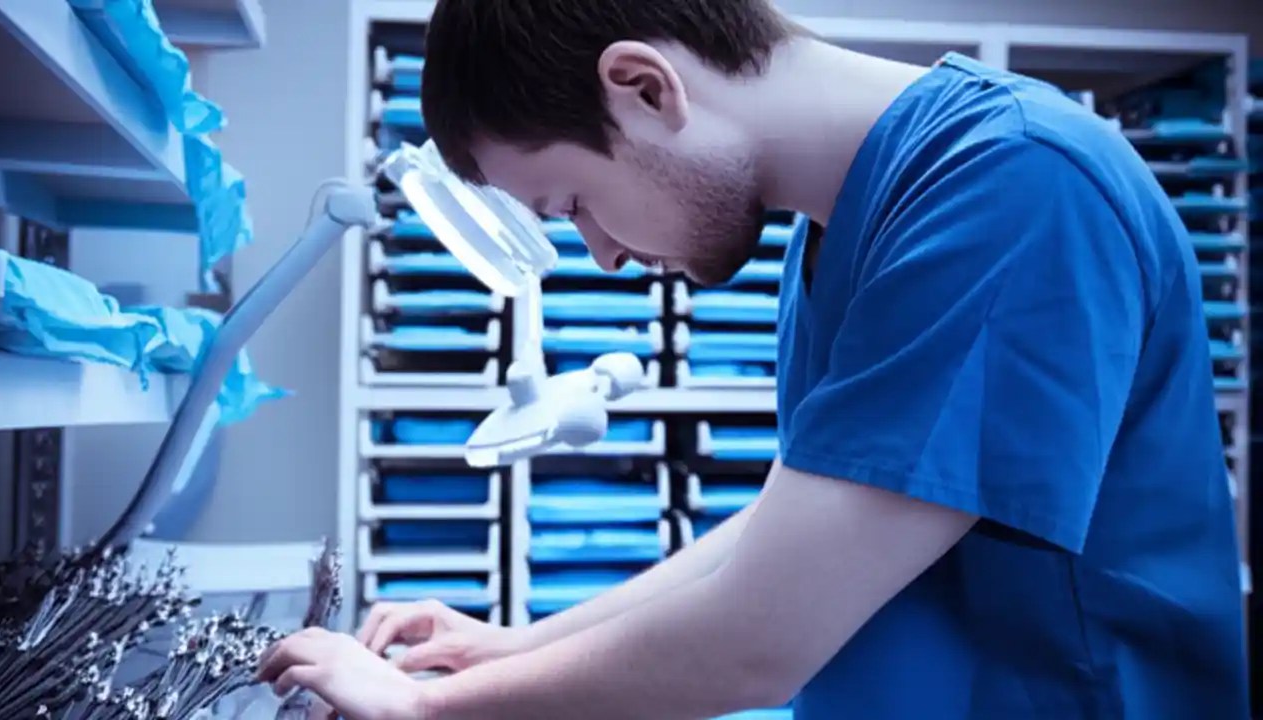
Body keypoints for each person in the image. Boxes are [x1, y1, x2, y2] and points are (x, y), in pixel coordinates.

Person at [257, 1, 1250, 718]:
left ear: (644, 87)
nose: (598, 255)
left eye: (568, 204)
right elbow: (787, 534)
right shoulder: (830, 233)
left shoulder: (1015, 191)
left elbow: (756, 642)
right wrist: (512, 648)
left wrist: (426, 713)